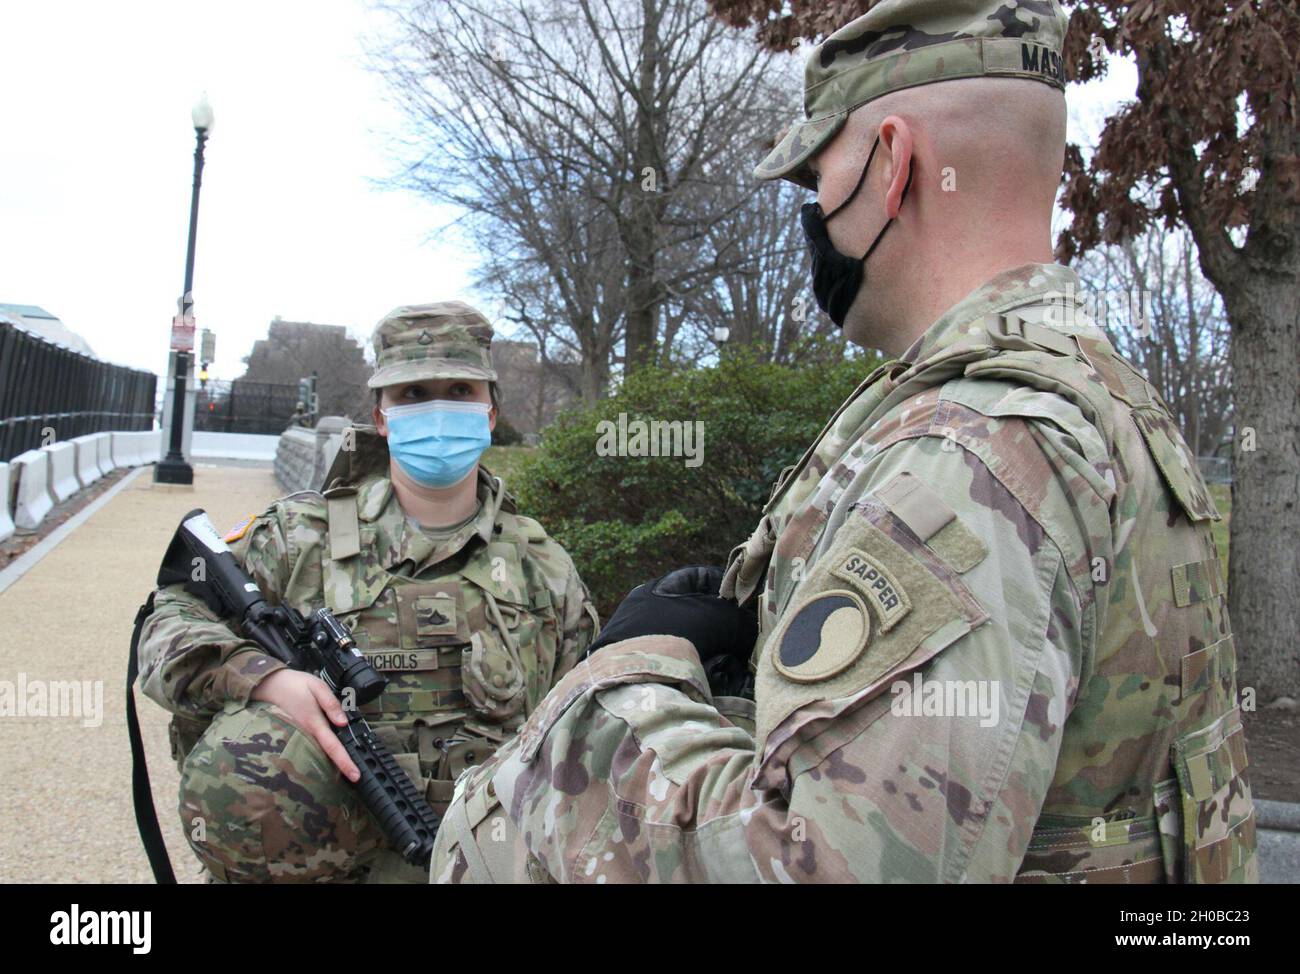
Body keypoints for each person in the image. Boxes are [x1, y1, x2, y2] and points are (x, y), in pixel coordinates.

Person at [429, 0, 1256, 884]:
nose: (816, 214)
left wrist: (632, 676)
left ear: (893, 164)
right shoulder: (1105, 400)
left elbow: (820, 866)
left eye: (819, 176)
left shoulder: (972, 455)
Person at [136, 301, 599, 883]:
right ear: (380, 417)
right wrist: (264, 677)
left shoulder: (544, 571)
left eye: (459, 390)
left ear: (489, 412)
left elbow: (581, 741)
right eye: (412, 394)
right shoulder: (298, 536)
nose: (437, 409)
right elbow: (165, 625)